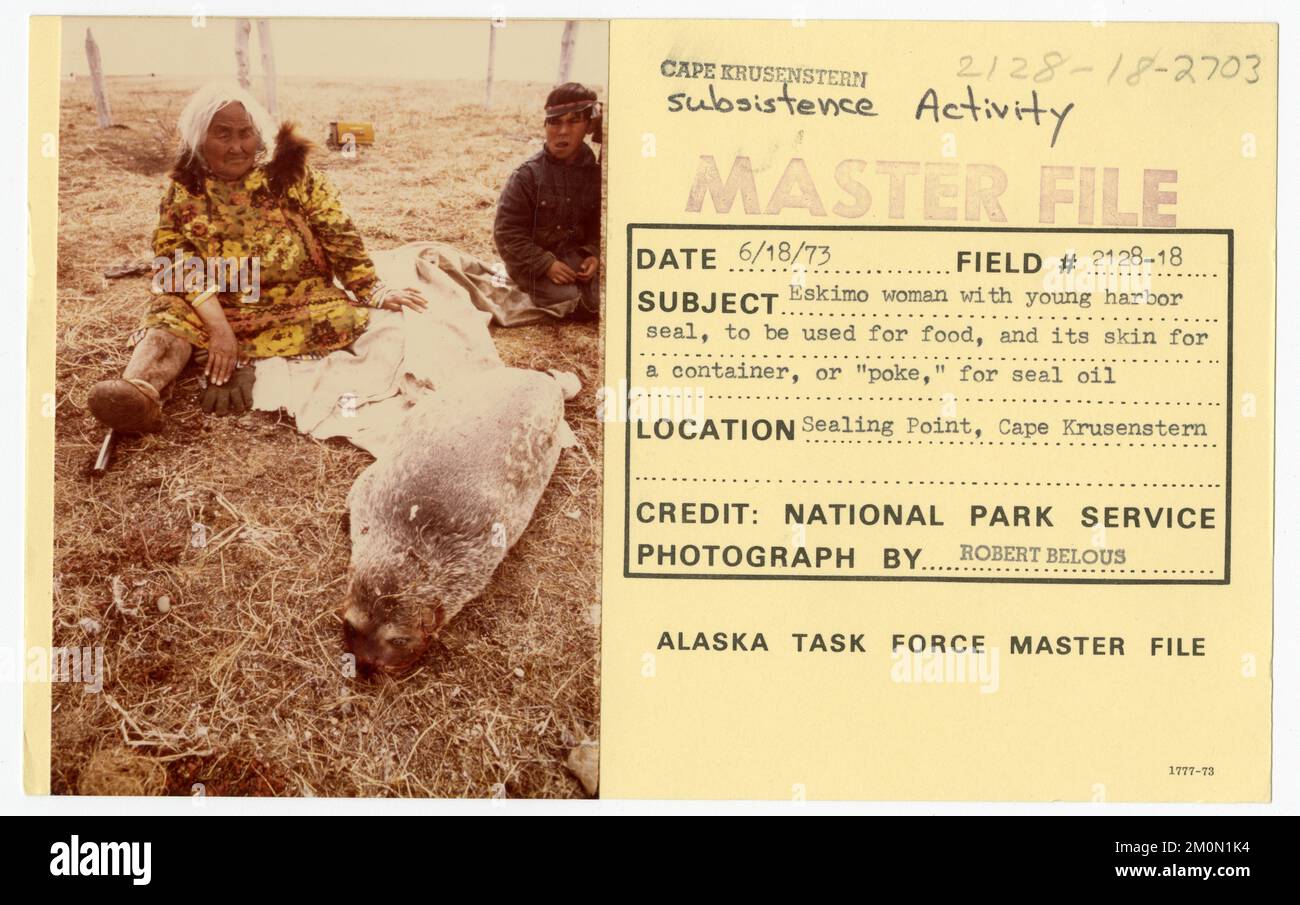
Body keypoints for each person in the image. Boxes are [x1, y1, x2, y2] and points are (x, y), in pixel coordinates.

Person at [88, 82, 427, 432]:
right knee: (167, 313)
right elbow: (173, 260)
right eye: (223, 135)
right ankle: (138, 394)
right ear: (199, 140)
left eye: (245, 133)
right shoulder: (185, 189)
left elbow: (337, 231)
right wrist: (219, 328)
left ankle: (238, 358)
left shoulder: (290, 174)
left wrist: (371, 288)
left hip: (297, 303)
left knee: (344, 320)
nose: (237, 147)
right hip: (219, 304)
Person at [492, 82, 601, 321]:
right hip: (531, 264)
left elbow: (598, 227)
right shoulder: (527, 176)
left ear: (589, 126)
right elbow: (507, 234)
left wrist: (593, 254)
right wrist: (545, 264)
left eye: (573, 122)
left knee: (599, 300)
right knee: (569, 300)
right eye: (554, 122)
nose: (562, 131)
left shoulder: (595, 174)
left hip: (574, 258)